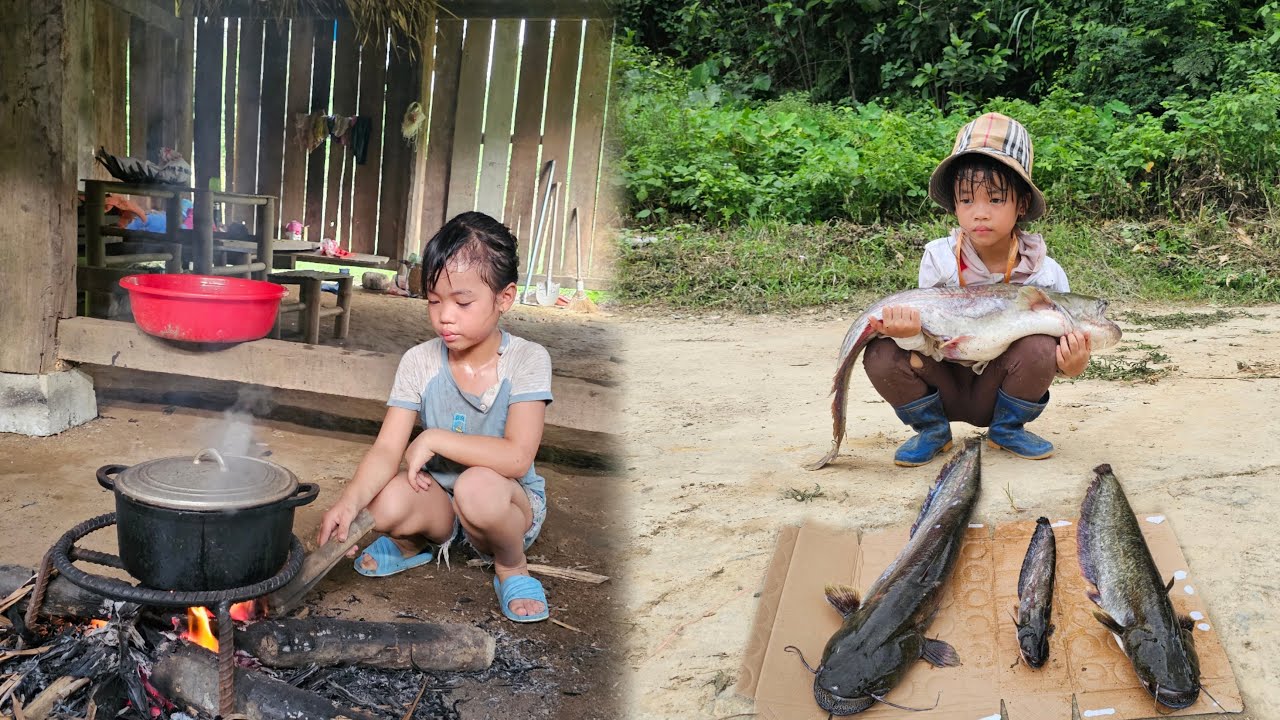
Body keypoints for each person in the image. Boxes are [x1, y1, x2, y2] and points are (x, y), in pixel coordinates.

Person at [316, 211, 553, 623]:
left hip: (504, 503)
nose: (445, 315)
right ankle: (415, 546)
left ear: (505, 298)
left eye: (462, 302)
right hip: (442, 500)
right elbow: (389, 448)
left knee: (477, 486)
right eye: (434, 300)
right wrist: (348, 504)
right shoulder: (419, 361)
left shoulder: (527, 360)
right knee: (382, 501)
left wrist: (433, 439)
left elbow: (517, 457)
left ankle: (511, 566)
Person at [862, 112, 1092, 466]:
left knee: (1040, 343)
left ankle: (1007, 429)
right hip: (943, 382)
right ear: (954, 205)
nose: (980, 213)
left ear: (1023, 204)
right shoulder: (939, 259)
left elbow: (1056, 354)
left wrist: (1072, 365)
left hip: (998, 389)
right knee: (880, 353)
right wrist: (908, 336)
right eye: (967, 200)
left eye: (996, 200)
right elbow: (931, 342)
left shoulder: (1044, 273)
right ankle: (932, 431)